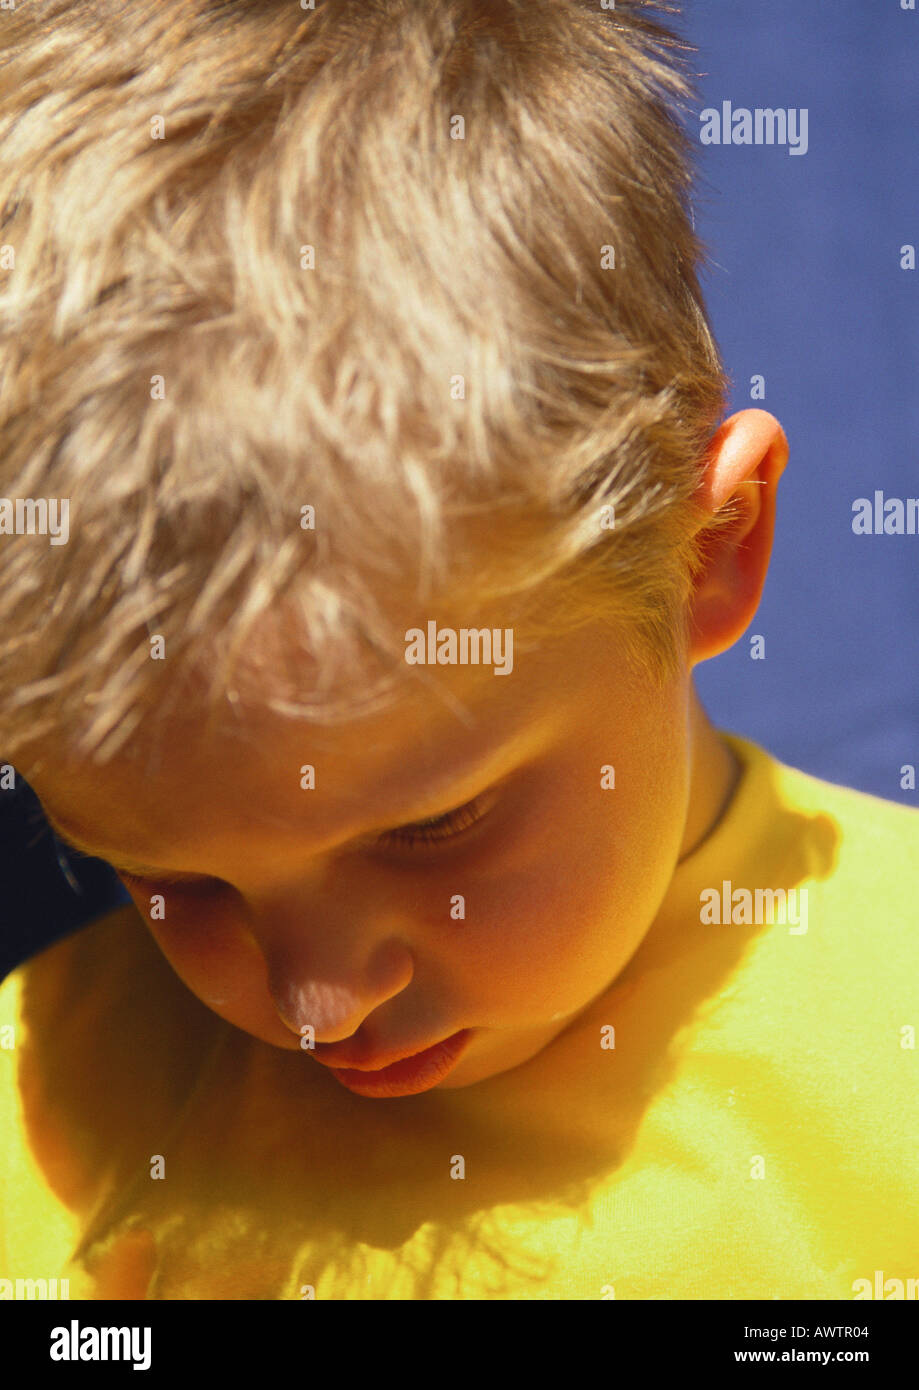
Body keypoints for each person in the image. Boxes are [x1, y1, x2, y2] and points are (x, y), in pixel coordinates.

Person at [1, 0, 916, 1300]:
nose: (316, 1001)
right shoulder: (44, 1123)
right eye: (174, 879)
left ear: (706, 547)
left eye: (432, 827)